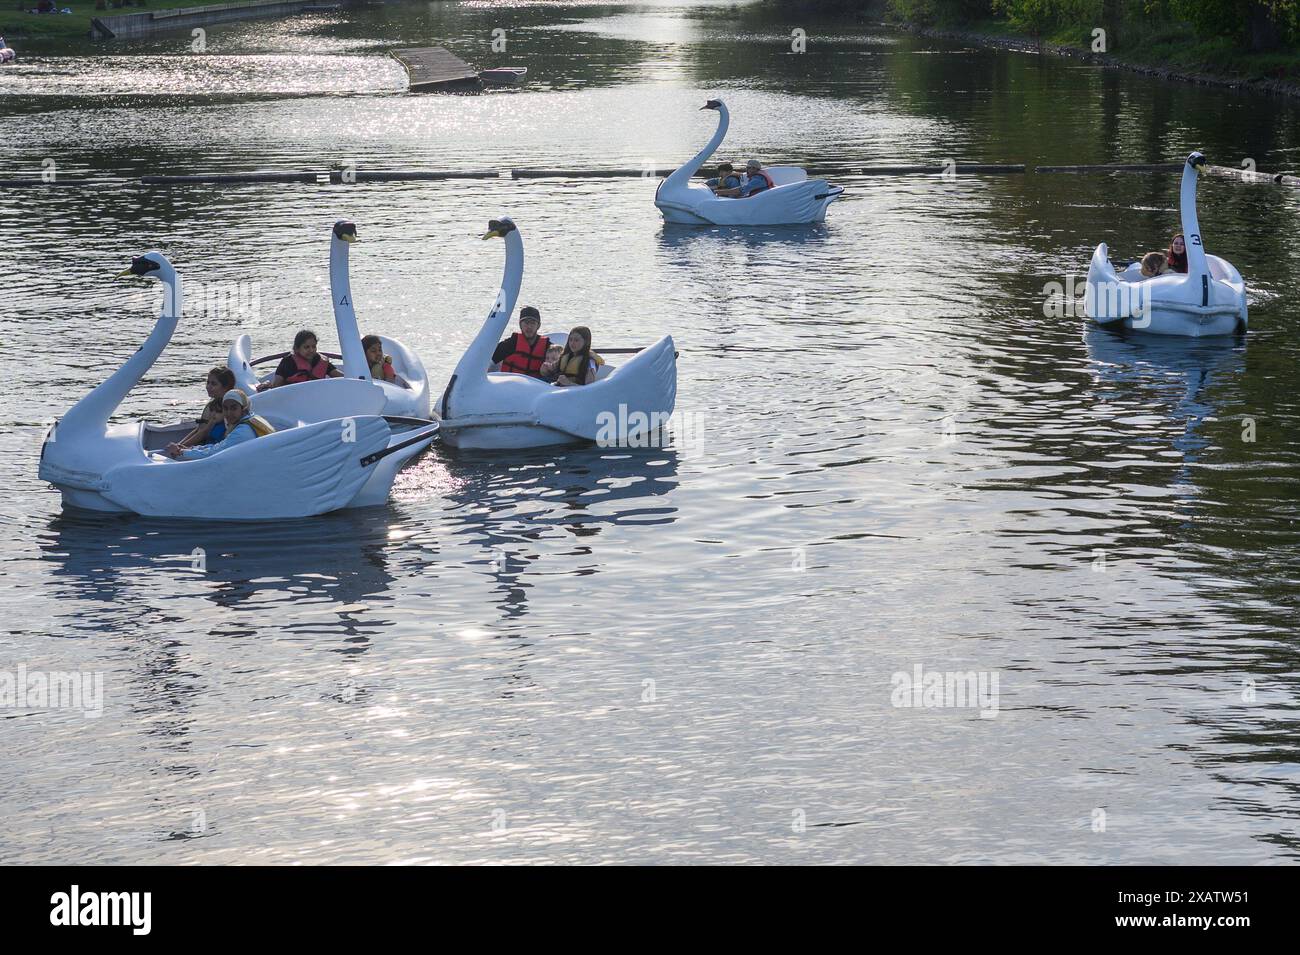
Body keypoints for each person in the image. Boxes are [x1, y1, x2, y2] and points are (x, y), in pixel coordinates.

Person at [165, 390, 274, 460]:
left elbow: (214, 453)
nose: (229, 413)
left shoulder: (243, 431)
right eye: (225, 408)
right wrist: (191, 448)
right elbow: (220, 446)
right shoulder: (252, 419)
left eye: (234, 408)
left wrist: (181, 452)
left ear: (243, 409)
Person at [257, 329, 342, 391]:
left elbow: (340, 376)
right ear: (297, 349)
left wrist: (354, 378)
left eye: (314, 346)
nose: (311, 350)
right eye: (306, 347)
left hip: (317, 397)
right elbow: (276, 386)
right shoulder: (287, 362)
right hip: (293, 398)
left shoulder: (321, 361)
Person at [176, 366, 237, 449]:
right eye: (208, 382)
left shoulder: (226, 408)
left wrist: (181, 448)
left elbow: (204, 432)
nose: (208, 386)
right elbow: (199, 429)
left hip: (217, 450)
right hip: (206, 446)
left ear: (226, 387)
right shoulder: (213, 404)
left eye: (213, 384)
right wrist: (179, 444)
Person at [490, 306, 549, 378]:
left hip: (535, 388)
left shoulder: (547, 346)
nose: (529, 327)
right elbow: (487, 360)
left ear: (538, 326)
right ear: (520, 325)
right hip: (509, 386)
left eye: (533, 323)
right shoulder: (510, 344)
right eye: (526, 323)